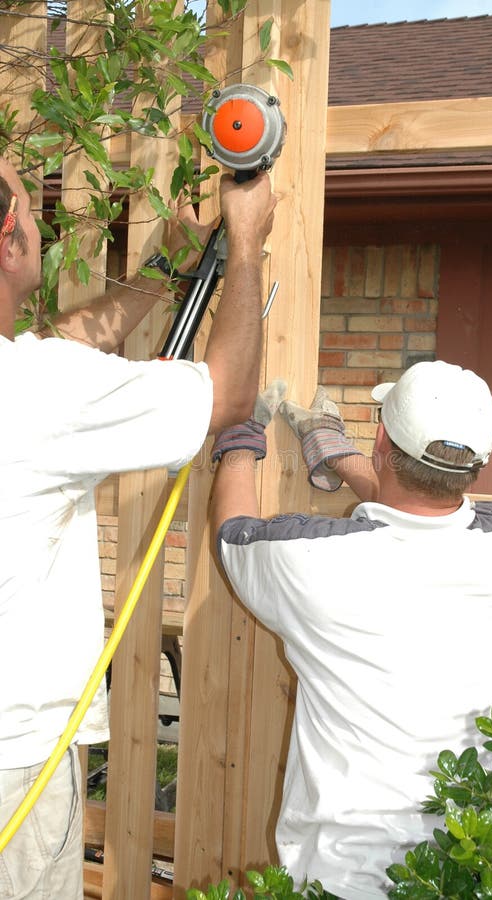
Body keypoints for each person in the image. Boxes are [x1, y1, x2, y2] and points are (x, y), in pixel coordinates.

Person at [0, 154, 276, 899]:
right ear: (8, 241)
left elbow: (50, 351)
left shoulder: (30, 379)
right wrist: (246, 244)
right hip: (14, 759)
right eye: (29, 208)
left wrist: (160, 272)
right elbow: (227, 394)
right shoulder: (37, 393)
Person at [209, 362, 492, 900]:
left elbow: (234, 534)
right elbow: (431, 518)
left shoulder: (311, 561)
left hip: (340, 876)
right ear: (479, 464)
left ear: (381, 438)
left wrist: (240, 437)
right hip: (471, 865)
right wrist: (337, 453)